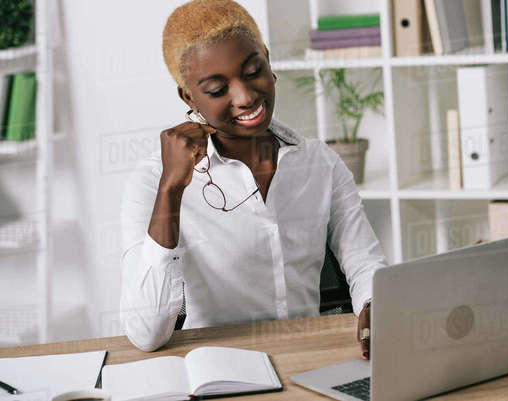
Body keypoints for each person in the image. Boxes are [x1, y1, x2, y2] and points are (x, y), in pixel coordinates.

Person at [119, 0, 387, 358]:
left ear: (268, 60)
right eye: (217, 89)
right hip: (218, 371)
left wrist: (375, 305)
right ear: (189, 96)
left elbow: (365, 263)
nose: (245, 97)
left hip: (307, 359)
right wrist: (171, 189)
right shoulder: (153, 179)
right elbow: (146, 333)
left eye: (252, 70)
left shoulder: (320, 164)